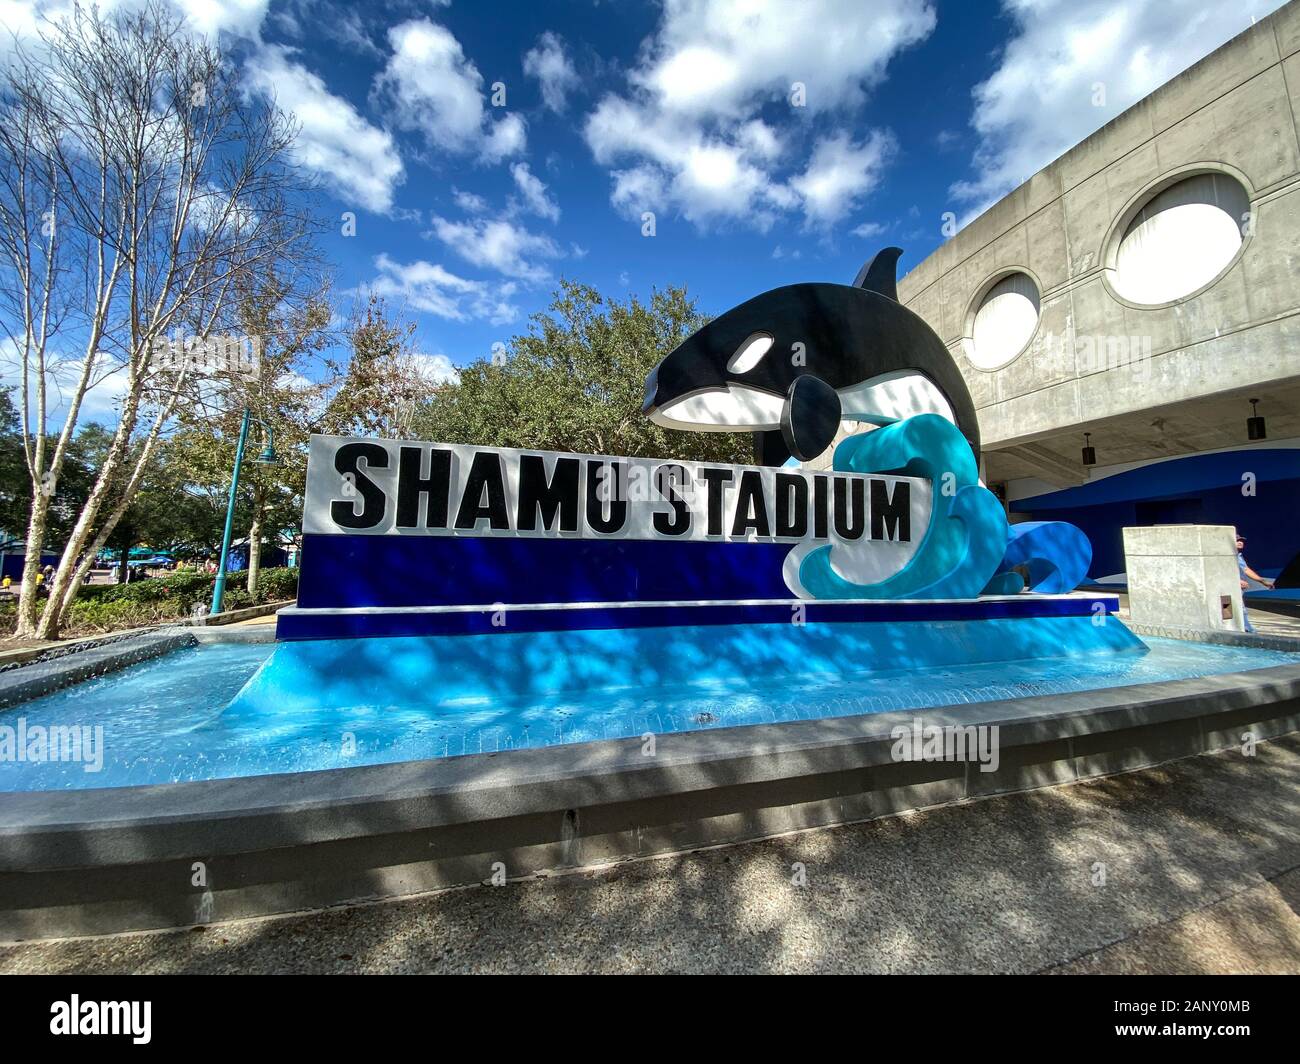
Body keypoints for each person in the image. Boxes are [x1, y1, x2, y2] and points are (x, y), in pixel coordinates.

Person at [1236, 532, 1274, 633]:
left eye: (1241, 541)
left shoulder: (1238, 556)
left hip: (1238, 588)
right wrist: (1236, 581)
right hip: (1230, 588)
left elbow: (1246, 569)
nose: (1240, 542)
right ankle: (1248, 631)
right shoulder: (1227, 555)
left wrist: (1262, 581)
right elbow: (1221, 569)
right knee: (1238, 609)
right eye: (1237, 540)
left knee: (1240, 609)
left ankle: (1247, 629)